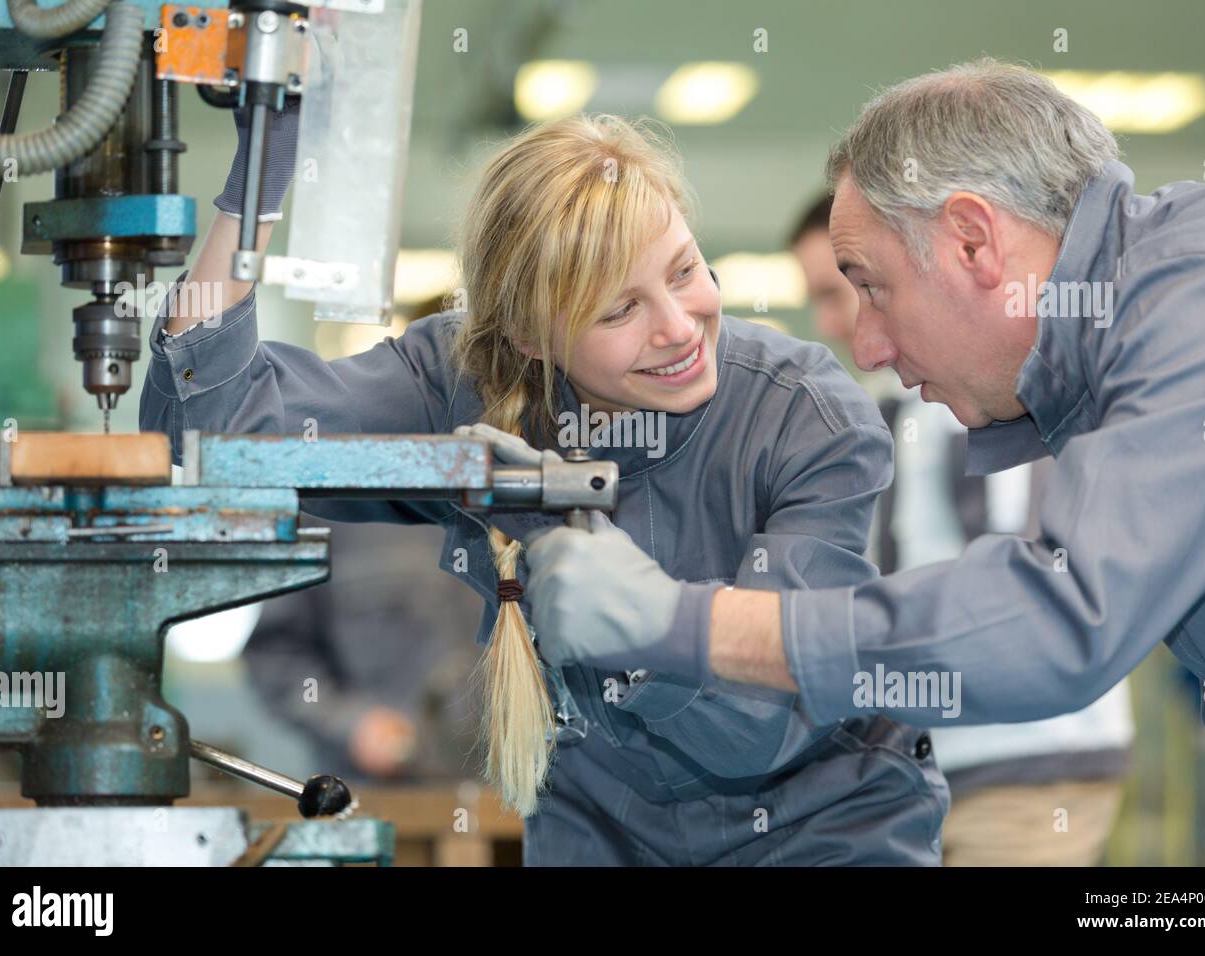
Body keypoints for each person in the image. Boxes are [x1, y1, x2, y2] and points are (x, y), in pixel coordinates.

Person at [141, 109, 949, 865]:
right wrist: (253, 193)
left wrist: (573, 549)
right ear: (530, 336)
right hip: (598, 821)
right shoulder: (465, 384)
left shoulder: (804, 417)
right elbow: (221, 433)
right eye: (618, 309)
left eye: (685, 270)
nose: (676, 325)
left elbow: (761, 724)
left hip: (819, 825)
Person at [523, 58, 1205, 860]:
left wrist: (683, 624)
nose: (867, 346)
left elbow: (1061, 619)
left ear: (973, 241)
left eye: (871, 287)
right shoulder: (1130, 335)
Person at [791, 194, 1133, 865]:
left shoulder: (971, 397)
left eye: (852, 290)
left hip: (1026, 761)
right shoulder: (888, 416)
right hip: (933, 763)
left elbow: (1020, 589)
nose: (838, 322)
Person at [243, 520, 483, 783]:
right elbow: (277, 657)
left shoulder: (501, 511)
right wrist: (352, 723)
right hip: (376, 794)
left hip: (502, 796)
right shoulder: (322, 514)